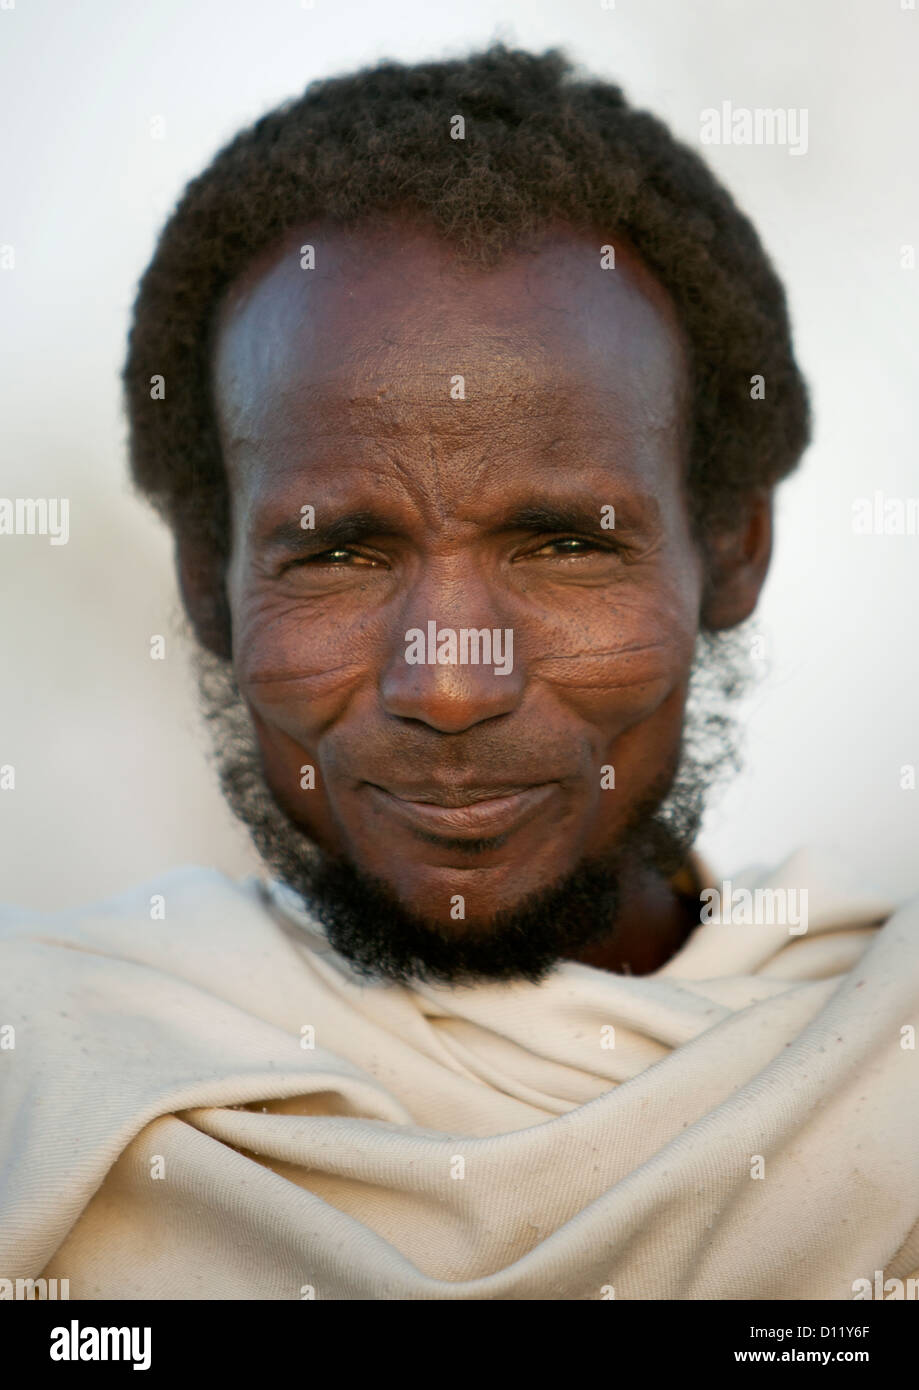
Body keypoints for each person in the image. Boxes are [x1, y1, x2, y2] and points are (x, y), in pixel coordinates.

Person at [2, 45, 917, 1301]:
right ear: (206, 585)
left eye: (561, 545)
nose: (445, 686)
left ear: (731, 550)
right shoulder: (44, 1087)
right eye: (337, 552)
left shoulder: (891, 1068)